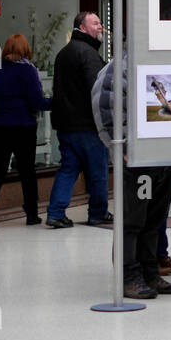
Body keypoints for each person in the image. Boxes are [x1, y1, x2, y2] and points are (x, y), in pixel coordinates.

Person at [91, 53, 171, 298]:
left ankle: (149, 272)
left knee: (154, 220)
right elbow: (105, 106)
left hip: (164, 157)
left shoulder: (165, 63)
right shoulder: (119, 67)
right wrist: (120, 147)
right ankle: (129, 275)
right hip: (137, 160)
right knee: (132, 220)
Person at [0, 33, 52, 230]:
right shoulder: (28, 71)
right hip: (23, 128)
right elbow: (37, 102)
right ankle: (32, 214)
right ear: (26, 50)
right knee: (27, 171)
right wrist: (55, 102)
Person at [46, 12, 111, 228]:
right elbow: (97, 88)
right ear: (82, 28)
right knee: (98, 171)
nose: (100, 26)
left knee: (68, 169)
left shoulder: (63, 53)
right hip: (88, 125)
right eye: (95, 23)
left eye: (100, 22)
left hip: (65, 124)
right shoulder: (88, 53)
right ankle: (98, 212)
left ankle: (55, 212)